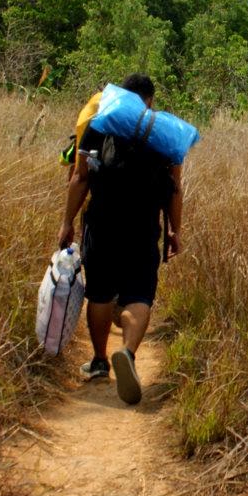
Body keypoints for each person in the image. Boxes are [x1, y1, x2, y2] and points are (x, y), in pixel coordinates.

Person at [57, 73, 183, 405]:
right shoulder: (165, 134)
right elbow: (175, 189)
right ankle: (127, 350)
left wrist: (66, 223)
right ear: (151, 101)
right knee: (138, 295)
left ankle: (100, 361)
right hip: (144, 227)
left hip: (102, 223)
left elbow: (80, 178)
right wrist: (174, 231)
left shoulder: (101, 124)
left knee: (99, 295)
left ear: (121, 96)